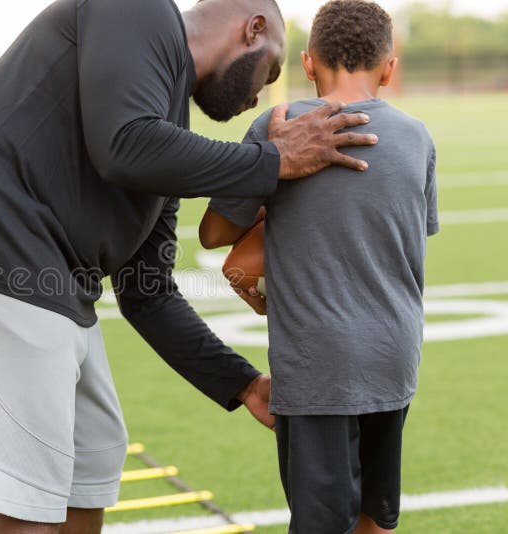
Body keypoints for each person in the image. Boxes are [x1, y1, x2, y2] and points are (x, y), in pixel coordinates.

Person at [0, 0, 378, 531]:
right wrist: (272, 162)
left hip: (42, 263)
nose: (260, 94)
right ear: (252, 28)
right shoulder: (138, 9)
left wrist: (243, 384)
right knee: (33, 491)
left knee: (93, 454)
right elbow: (124, 145)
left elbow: (148, 292)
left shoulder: (167, 129)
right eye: (270, 69)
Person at [200, 1, 439, 532]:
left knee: (318, 522)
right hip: (393, 357)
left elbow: (214, 236)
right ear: (390, 67)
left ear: (307, 64)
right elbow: (398, 231)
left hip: (317, 365)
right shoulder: (418, 136)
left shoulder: (278, 123)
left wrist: (270, 200)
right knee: (375, 516)